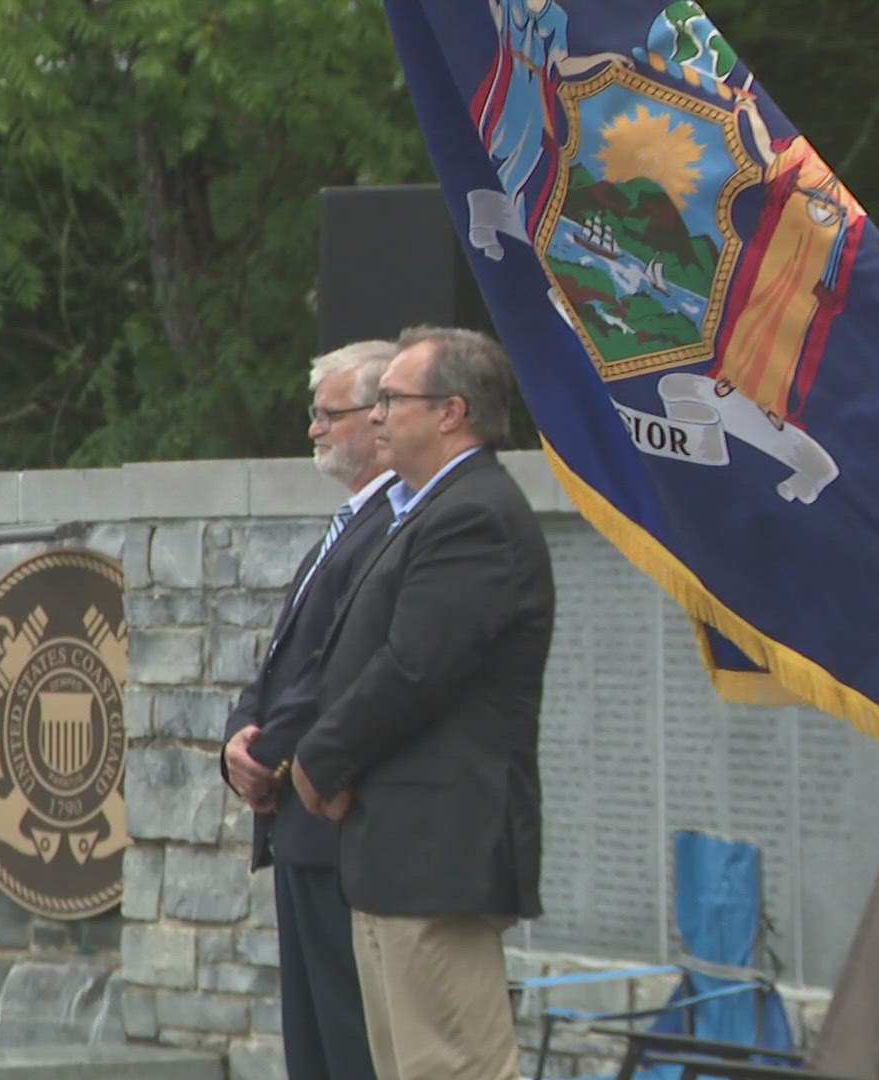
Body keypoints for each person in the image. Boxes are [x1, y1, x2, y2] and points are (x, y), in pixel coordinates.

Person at [292, 326, 554, 1080]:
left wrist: (320, 758)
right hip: (393, 851)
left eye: (391, 400)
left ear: (451, 412)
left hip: (438, 851)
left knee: (451, 1067)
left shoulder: (474, 516)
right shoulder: (420, 510)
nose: (375, 417)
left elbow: (414, 668)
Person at [220, 339, 398, 1080]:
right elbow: (281, 660)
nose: (314, 430)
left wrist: (268, 755)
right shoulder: (344, 526)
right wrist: (236, 742)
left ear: (382, 419)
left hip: (336, 821)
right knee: (314, 1048)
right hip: (294, 823)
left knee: (350, 1044)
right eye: (314, 414)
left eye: (330, 414)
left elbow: (336, 666)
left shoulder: (394, 525)